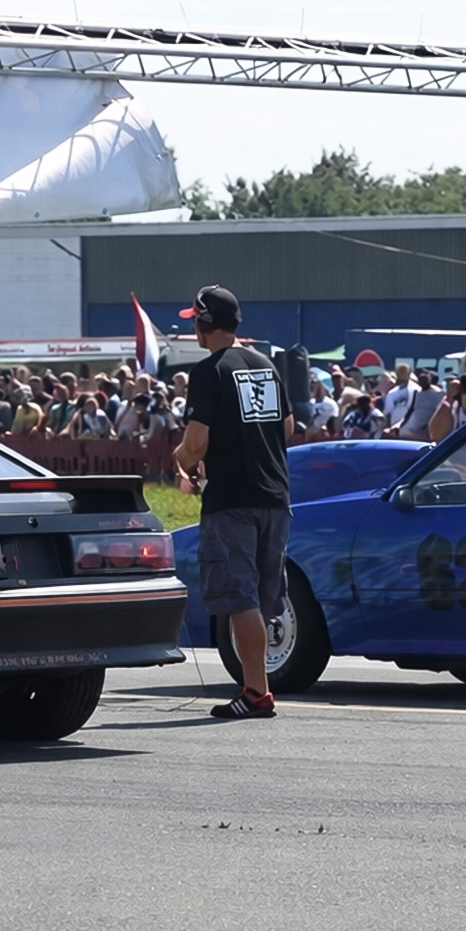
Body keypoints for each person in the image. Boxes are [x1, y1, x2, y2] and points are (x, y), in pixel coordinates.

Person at [172, 284, 293, 721]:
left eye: (196, 323)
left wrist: (181, 459)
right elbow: (288, 426)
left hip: (232, 501)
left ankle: (257, 691)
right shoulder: (267, 366)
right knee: (261, 598)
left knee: (239, 596)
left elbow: (196, 442)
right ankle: (258, 686)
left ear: (205, 323)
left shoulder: (208, 372)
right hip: (275, 497)